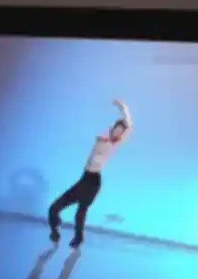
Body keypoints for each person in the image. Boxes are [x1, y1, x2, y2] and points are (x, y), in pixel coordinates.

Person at [47, 99, 133, 248]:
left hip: (93, 182)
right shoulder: (105, 135)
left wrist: (123, 106)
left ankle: (78, 239)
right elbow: (121, 123)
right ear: (113, 128)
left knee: (80, 213)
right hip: (84, 179)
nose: (118, 132)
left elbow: (128, 123)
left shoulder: (114, 143)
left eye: (121, 132)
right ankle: (55, 231)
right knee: (53, 209)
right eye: (117, 129)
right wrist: (120, 109)